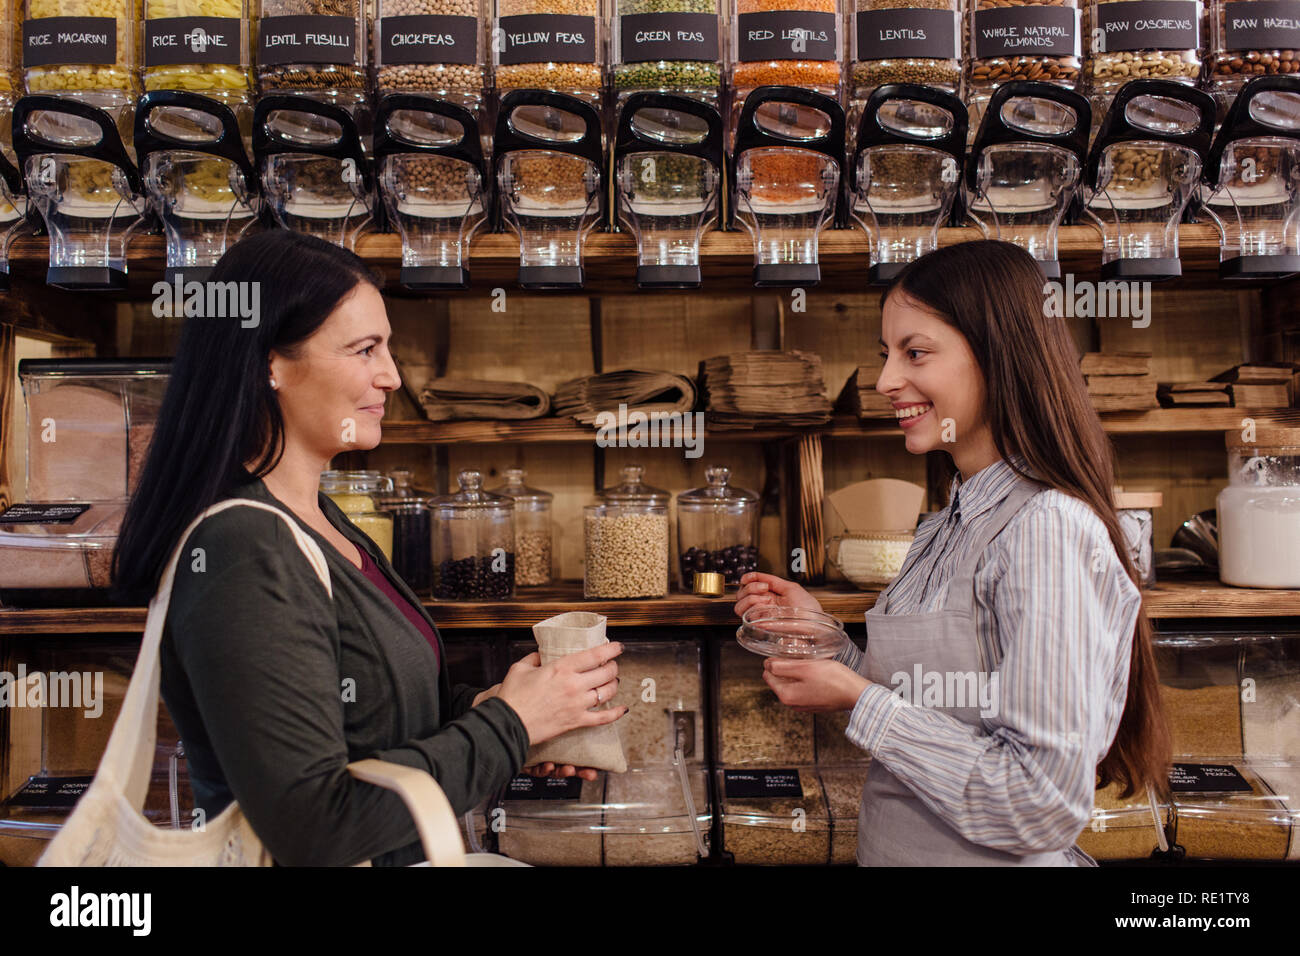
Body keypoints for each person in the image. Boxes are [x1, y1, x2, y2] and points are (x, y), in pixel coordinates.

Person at [112, 230, 625, 866]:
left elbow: (375, 728)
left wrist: (509, 714)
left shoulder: (319, 519)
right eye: (364, 350)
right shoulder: (242, 549)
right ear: (269, 363)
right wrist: (509, 727)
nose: (392, 376)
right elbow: (313, 825)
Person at [735, 240, 1171, 866]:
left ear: (998, 358)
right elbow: (936, 704)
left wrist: (858, 699)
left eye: (915, 353)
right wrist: (825, 640)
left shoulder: (1045, 528)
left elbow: (1037, 803)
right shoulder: (944, 526)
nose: (886, 380)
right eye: (886, 355)